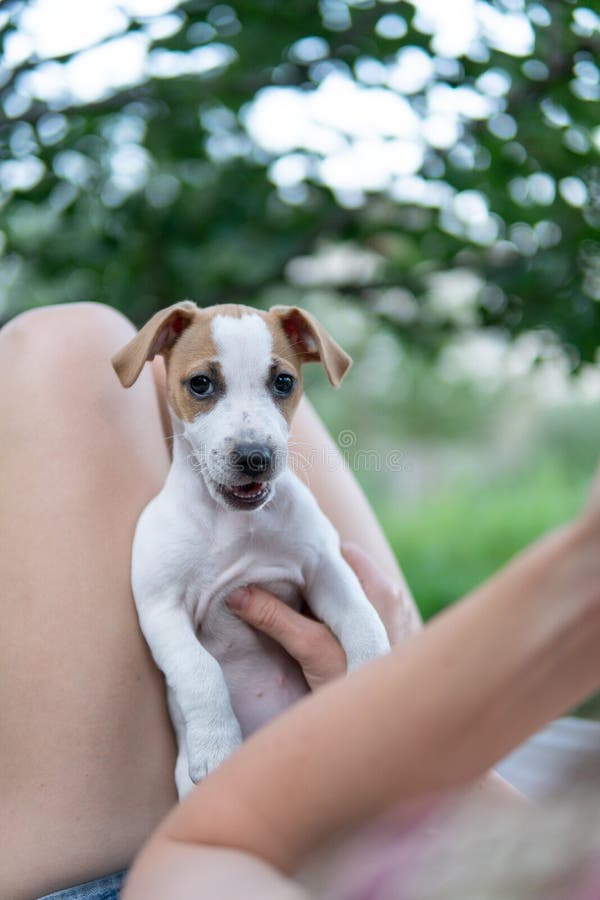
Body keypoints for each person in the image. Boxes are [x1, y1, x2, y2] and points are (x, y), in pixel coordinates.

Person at [0, 301, 420, 900]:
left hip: (327, 789)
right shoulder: (166, 529)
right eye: (204, 386)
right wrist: (207, 709)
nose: (250, 436)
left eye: (279, 385)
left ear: (303, 362)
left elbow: (334, 581)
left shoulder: (294, 509)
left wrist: (381, 680)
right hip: (218, 802)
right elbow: (160, 609)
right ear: (165, 362)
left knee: (62, 341)